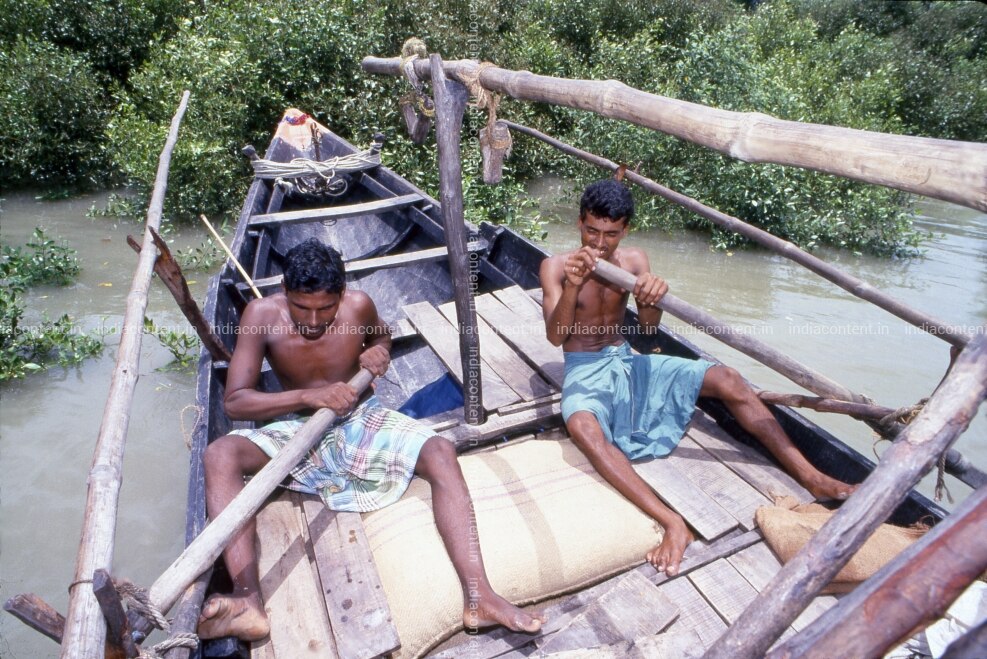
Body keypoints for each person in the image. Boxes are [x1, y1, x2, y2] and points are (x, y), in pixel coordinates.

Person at [198, 238, 543, 641]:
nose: (312, 319)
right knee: (220, 452)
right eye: (300, 307)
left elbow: (381, 337)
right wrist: (308, 396)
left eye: (324, 308)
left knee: (439, 449)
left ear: (341, 295)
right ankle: (247, 599)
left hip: (360, 419)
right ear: (284, 293)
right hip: (297, 430)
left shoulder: (359, 305)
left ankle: (479, 595)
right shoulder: (260, 314)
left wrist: (378, 352)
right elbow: (236, 401)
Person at [539, 179, 856, 578]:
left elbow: (648, 333)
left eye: (611, 234)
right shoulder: (554, 266)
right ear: (579, 223)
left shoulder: (635, 261)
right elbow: (555, 337)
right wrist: (573, 285)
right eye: (591, 231)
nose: (600, 244)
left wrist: (651, 299)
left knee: (729, 379)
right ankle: (673, 522)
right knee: (583, 426)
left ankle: (814, 478)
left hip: (627, 358)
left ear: (626, 230)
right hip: (584, 367)